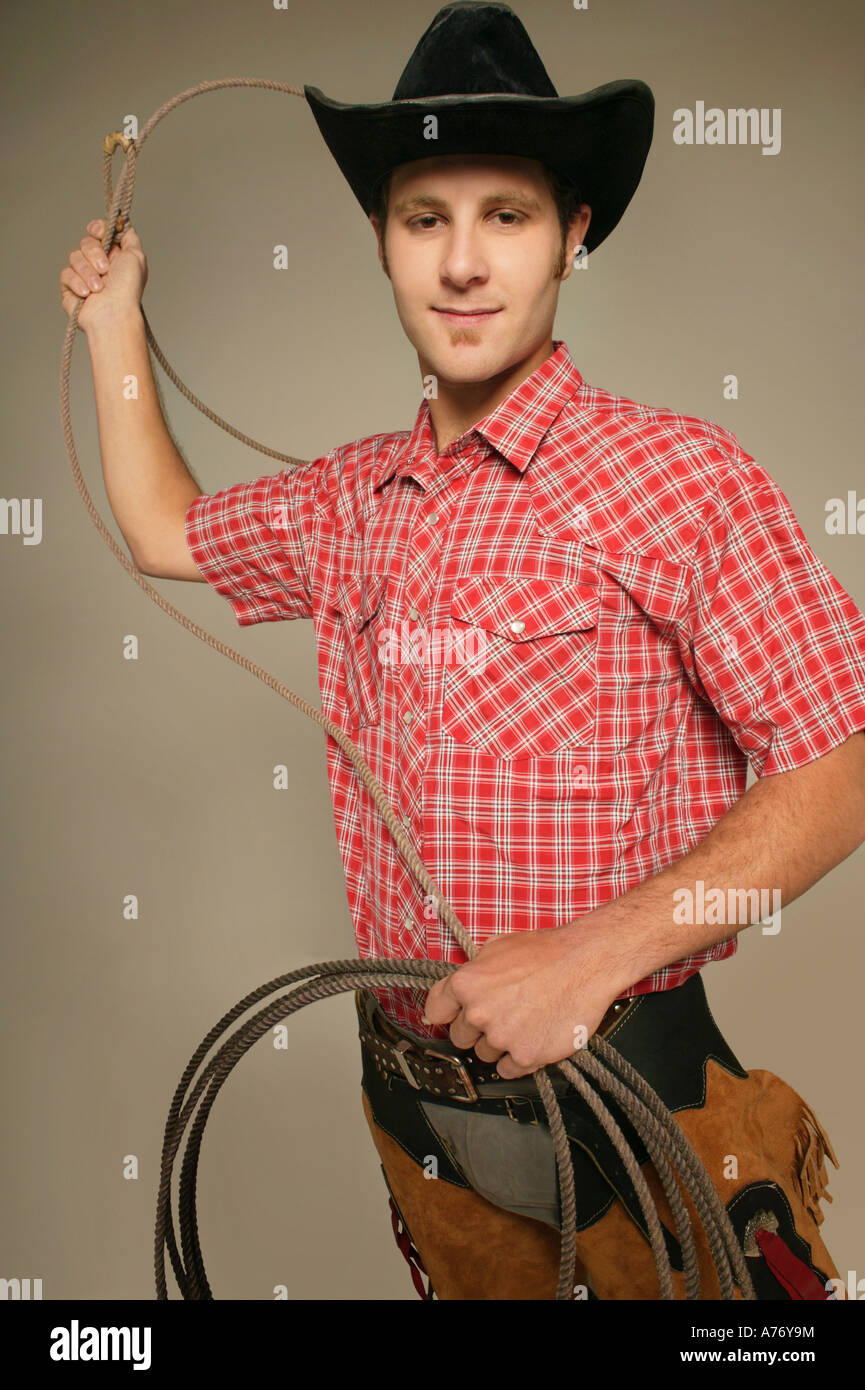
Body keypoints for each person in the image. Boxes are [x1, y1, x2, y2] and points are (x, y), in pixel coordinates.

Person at [59, 2, 865, 1301]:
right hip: (424, 1122)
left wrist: (593, 952)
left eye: (507, 214)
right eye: (424, 217)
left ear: (573, 233)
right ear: (381, 242)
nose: (463, 261)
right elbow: (161, 530)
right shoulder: (344, 503)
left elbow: (842, 759)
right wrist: (114, 331)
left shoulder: (677, 478)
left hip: (636, 1113)